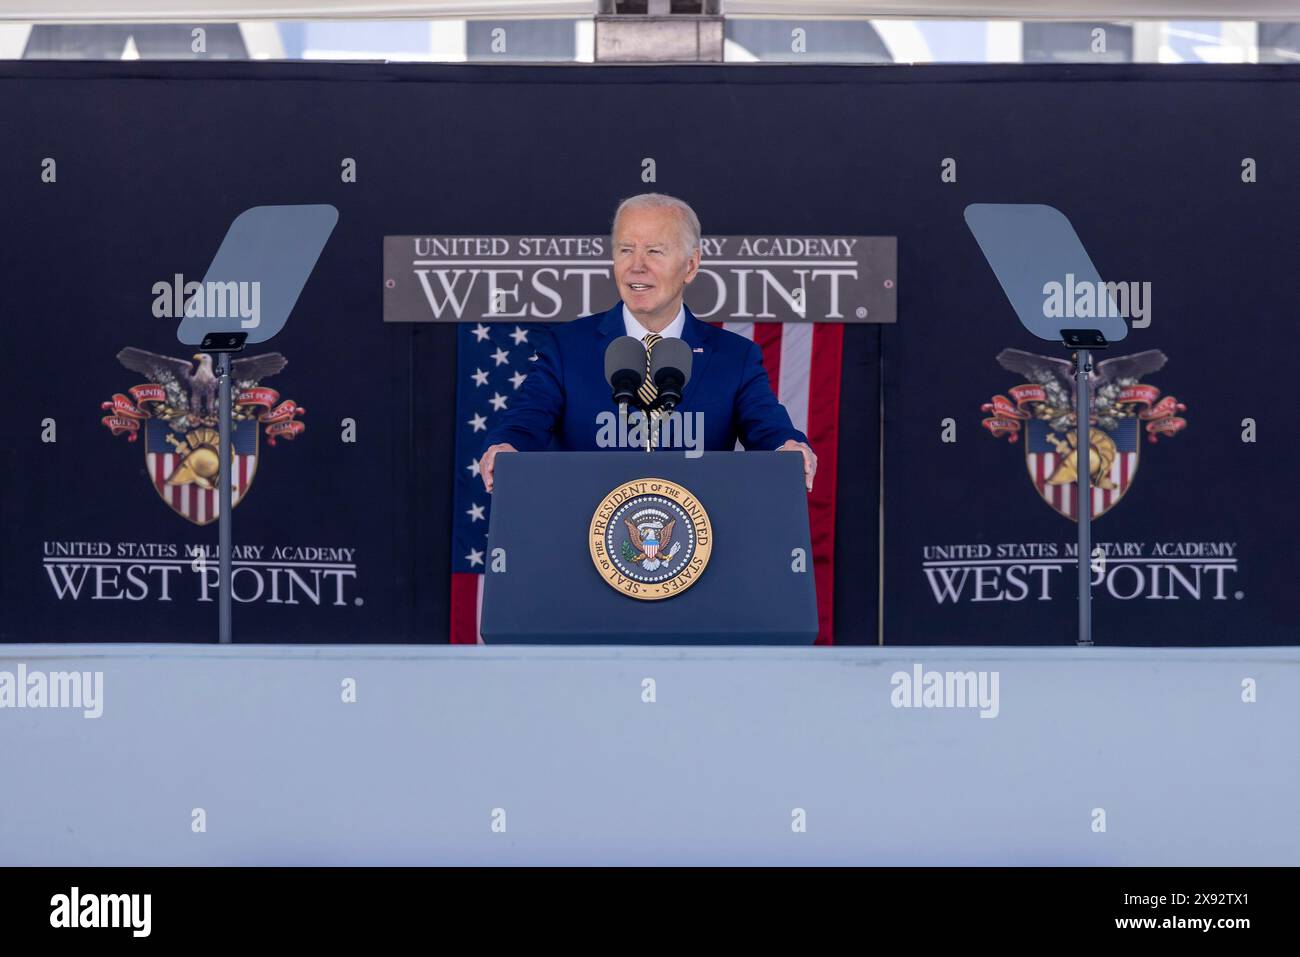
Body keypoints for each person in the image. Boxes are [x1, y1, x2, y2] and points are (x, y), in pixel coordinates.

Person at [480, 192, 817, 492]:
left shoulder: (734, 357)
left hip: (699, 542)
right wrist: (506, 446)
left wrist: (787, 447)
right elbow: (526, 421)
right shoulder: (566, 347)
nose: (637, 266)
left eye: (655, 251)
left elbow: (769, 428)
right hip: (585, 537)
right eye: (626, 250)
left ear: (691, 265)